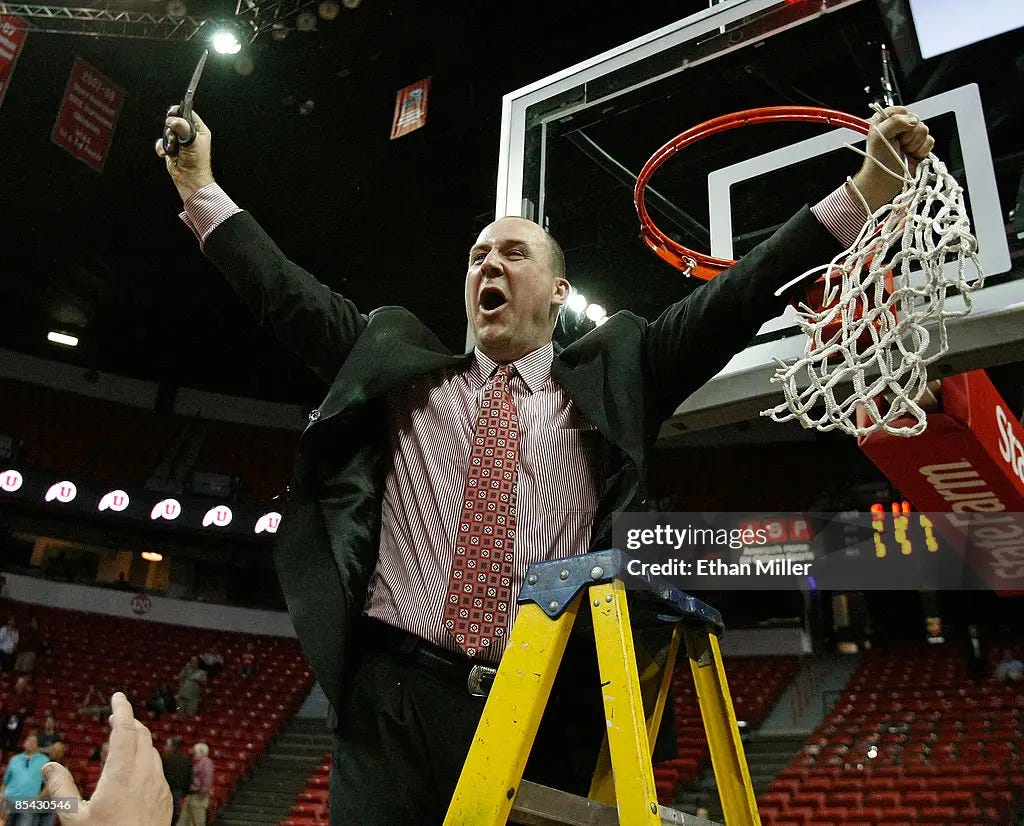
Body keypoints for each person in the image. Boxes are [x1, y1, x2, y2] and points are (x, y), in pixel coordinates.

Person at [157, 102, 933, 825]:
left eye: (513, 252)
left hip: (544, 708)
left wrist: (864, 191)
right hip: (393, 702)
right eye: (477, 255)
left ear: (558, 290)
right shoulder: (403, 373)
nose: (489, 263)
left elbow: (740, 297)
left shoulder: (621, 372)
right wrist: (200, 189)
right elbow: (284, 295)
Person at [40, 692, 172, 826]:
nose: (105, 754)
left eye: (108, 751)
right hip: (89, 805)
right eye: (103, 751)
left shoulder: (129, 771)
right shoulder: (91, 768)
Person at [1, 734, 50, 825]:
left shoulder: (44, 760)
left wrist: (39, 797)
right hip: (10, 800)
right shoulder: (14, 759)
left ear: (37, 745)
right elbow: (5, 782)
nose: (30, 743)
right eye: (28, 740)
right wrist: (2, 795)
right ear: (24, 743)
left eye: (33, 741)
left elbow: (48, 784)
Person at [176, 742, 213, 826]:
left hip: (198, 796)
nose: (193, 753)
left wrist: (203, 792)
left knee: (198, 820)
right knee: (185, 819)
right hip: (191, 794)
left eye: (195, 751)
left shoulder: (206, 762)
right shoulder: (198, 762)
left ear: (202, 752)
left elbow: (207, 778)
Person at [161, 737, 193, 816]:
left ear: (172, 747)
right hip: (178, 790)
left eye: (167, 745)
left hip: (165, 789)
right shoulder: (186, 760)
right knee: (173, 812)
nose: (164, 747)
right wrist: (185, 792)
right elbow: (189, 778)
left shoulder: (164, 758)